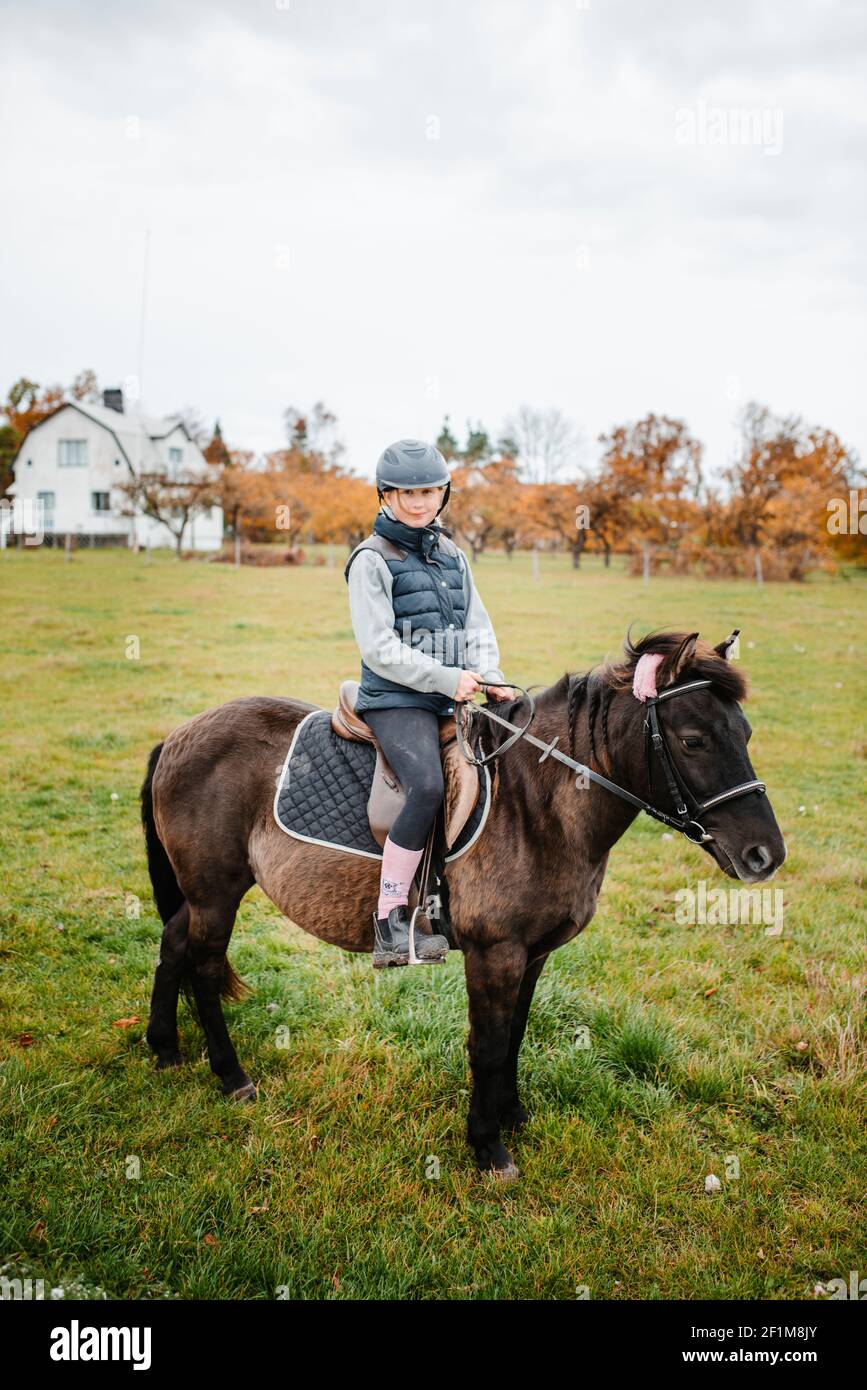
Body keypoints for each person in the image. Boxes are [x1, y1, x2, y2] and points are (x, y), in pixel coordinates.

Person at [344, 438, 514, 968]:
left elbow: (476, 625)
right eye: (408, 493)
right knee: (427, 785)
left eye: (430, 492)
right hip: (397, 698)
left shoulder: (452, 555)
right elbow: (379, 648)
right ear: (386, 496)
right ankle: (390, 918)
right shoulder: (370, 559)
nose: (420, 503)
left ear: (444, 494)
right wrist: (446, 679)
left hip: (450, 691)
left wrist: (491, 675)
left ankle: (455, 898)